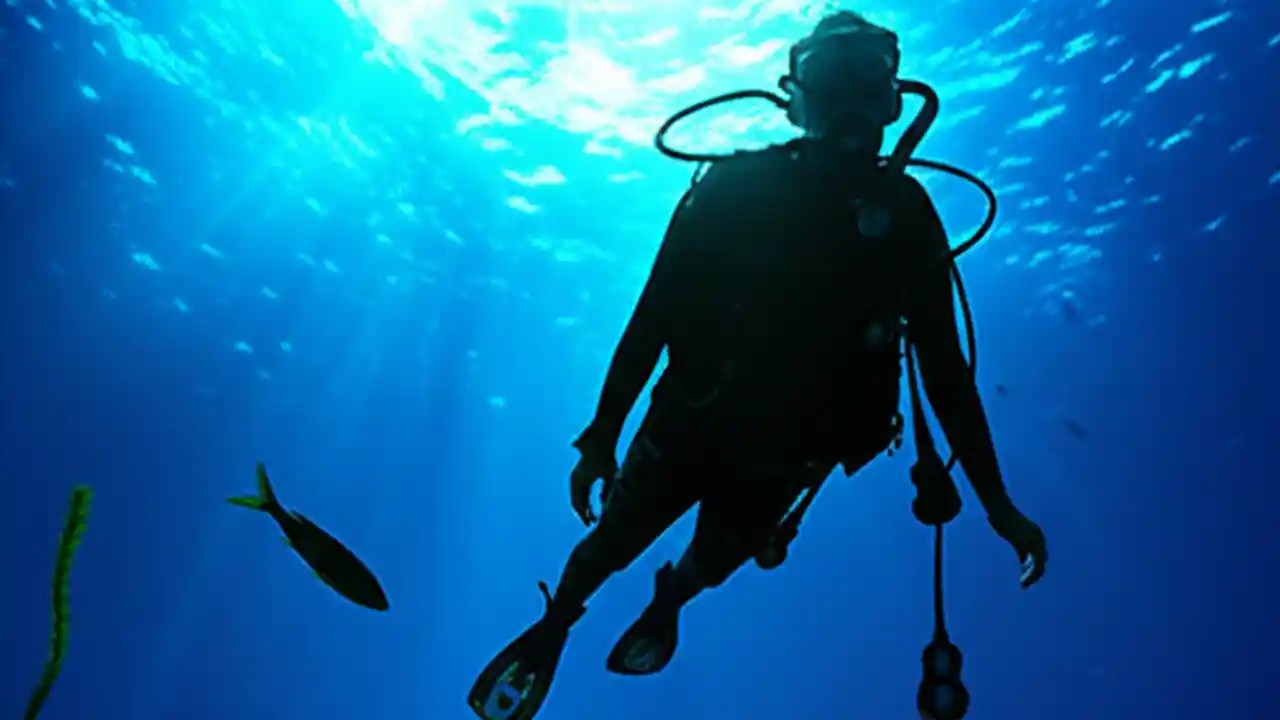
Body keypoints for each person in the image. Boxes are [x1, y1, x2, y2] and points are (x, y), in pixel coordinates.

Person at [468, 11, 1048, 720]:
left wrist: (999, 507)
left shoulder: (906, 214)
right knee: (608, 544)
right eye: (834, 81)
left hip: (787, 454)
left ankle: (670, 596)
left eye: (869, 81)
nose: (852, 104)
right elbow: (653, 315)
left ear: (894, 102)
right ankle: (559, 619)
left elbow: (946, 376)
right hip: (693, 423)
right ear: (798, 96)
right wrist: (599, 434)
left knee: (711, 561)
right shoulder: (732, 188)